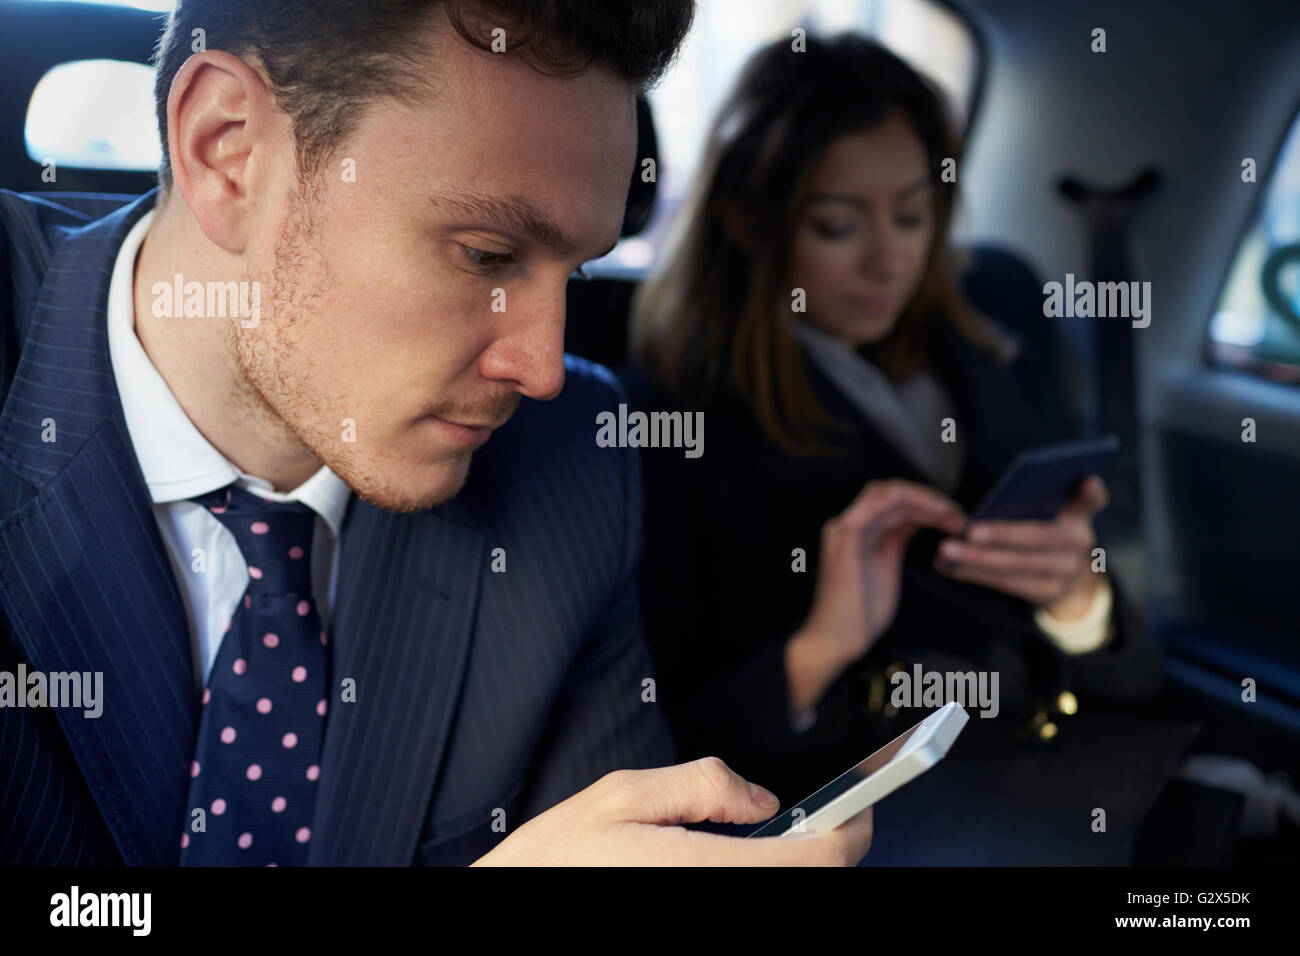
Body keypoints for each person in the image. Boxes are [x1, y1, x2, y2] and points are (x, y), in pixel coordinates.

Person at [0, 1, 875, 867]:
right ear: (228, 151)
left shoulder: (574, 463)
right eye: (487, 256)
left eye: (576, 270)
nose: (541, 368)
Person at [623, 33, 1167, 831]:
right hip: (875, 818)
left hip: (1075, 777)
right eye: (839, 226)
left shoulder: (992, 341)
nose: (889, 260)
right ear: (745, 222)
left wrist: (1078, 603)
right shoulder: (673, 423)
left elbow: (1135, 682)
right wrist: (820, 646)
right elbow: (671, 744)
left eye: (913, 215)